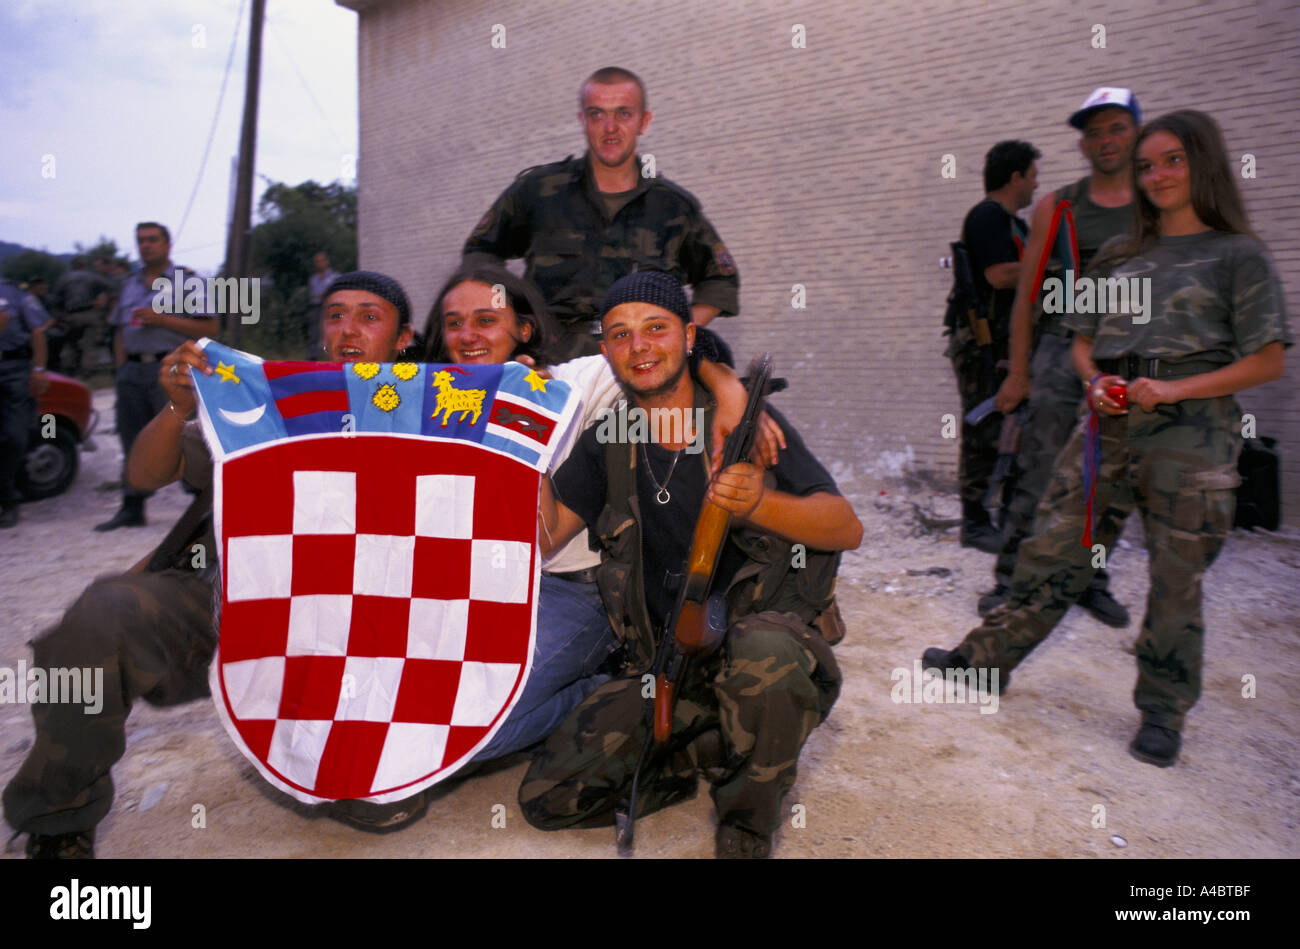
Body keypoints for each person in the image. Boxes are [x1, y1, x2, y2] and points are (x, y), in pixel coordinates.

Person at [3, 272, 417, 857]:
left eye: (369, 316)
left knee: (382, 783)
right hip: (231, 609)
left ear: (405, 338)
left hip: (360, 632)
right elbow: (144, 476)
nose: (347, 328)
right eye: (335, 314)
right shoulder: (271, 402)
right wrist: (177, 406)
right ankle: (58, 820)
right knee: (101, 615)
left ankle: (355, 765)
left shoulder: (433, 420)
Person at [922, 109, 1290, 768]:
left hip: (1192, 433)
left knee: (1176, 578)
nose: (1157, 174)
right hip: (1109, 424)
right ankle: (986, 661)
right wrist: (1093, 381)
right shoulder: (1121, 254)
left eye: (1173, 159)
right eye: (1148, 164)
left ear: (1203, 163)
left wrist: (1174, 390)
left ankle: (1162, 709)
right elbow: (1085, 341)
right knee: (1052, 546)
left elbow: (1268, 360)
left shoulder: (1238, 254)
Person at [520, 271, 862, 857]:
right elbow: (546, 536)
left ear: (686, 337)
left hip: (762, 652)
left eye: (655, 329)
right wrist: (521, 436)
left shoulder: (743, 426)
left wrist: (758, 501)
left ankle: (747, 824)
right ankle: (701, 753)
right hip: (670, 659)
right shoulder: (612, 436)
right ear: (606, 351)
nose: (639, 347)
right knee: (550, 798)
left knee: (766, 651)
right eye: (621, 335)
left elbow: (844, 525)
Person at [421, 264, 779, 763]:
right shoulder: (424, 404)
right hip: (468, 582)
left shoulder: (580, 382)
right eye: (453, 323)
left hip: (571, 589)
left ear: (523, 330)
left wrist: (730, 390)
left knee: (469, 727)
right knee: (416, 695)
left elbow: (678, 352)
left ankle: (604, 695)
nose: (467, 336)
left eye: (486, 320)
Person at [980, 87, 1143, 626]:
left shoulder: (1158, 199)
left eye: (1117, 127)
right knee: (1041, 467)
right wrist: (1020, 371)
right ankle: (1010, 578)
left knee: (1109, 477)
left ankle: (1087, 579)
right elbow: (1028, 295)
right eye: (1094, 132)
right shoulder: (1059, 205)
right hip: (1060, 347)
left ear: (1136, 132)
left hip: (1131, 355)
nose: (1106, 140)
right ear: (1083, 144)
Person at [462, 66, 739, 361]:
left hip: (641, 361)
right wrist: (509, 316)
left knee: (717, 360)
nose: (610, 127)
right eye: (597, 114)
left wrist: (677, 330)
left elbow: (720, 279)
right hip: (552, 360)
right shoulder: (537, 192)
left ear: (644, 121)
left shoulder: (673, 207)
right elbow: (480, 253)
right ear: (583, 121)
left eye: (623, 114)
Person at [95, 222, 218, 532]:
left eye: (152, 240)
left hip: (172, 368)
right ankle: (132, 505)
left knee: (183, 436)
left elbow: (209, 329)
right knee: (131, 435)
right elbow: (120, 330)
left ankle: (200, 511)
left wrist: (162, 319)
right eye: (140, 241)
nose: (145, 246)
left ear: (167, 245)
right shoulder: (129, 284)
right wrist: (121, 367)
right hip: (133, 369)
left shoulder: (187, 282)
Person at [950, 139, 1039, 551]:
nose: (1036, 185)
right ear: (1016, 176)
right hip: (983, 344)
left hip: (1009, 346)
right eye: (1033, 175)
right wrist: (1051, 264)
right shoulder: (987, 217)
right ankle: (974, 522)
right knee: (983, 426)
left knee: (1012, 430)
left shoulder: (1017, 225)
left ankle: (1007, 515)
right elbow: (999, 276)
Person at [0, 280, 53, 528]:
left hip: (14, 369)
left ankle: (8, 499)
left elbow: (39, 329)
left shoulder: (13, 293)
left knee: (14, 436)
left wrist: (40, 368)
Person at [48, 257, 113, 377]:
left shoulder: (63, 279)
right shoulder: (92, 277)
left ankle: (68, 368)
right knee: (91, 343)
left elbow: (56, 300)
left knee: (70, 343)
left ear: (72, 266)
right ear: (85, 266)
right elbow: (110, 287)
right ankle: (87, 370)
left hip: (70, 314)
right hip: (89, 313)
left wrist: (59, 317)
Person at [306, 251, 337, 358]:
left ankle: (332, 357)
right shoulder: (313, 279)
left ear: (326, 262)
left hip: (330, 308)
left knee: (330, 333)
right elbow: (312, 295)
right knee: (314, 333)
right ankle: (312, 358)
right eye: (317, 261)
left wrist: (325, 294)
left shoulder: (334, 277)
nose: (319, 263)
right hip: (316, 308)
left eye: (321, 261)